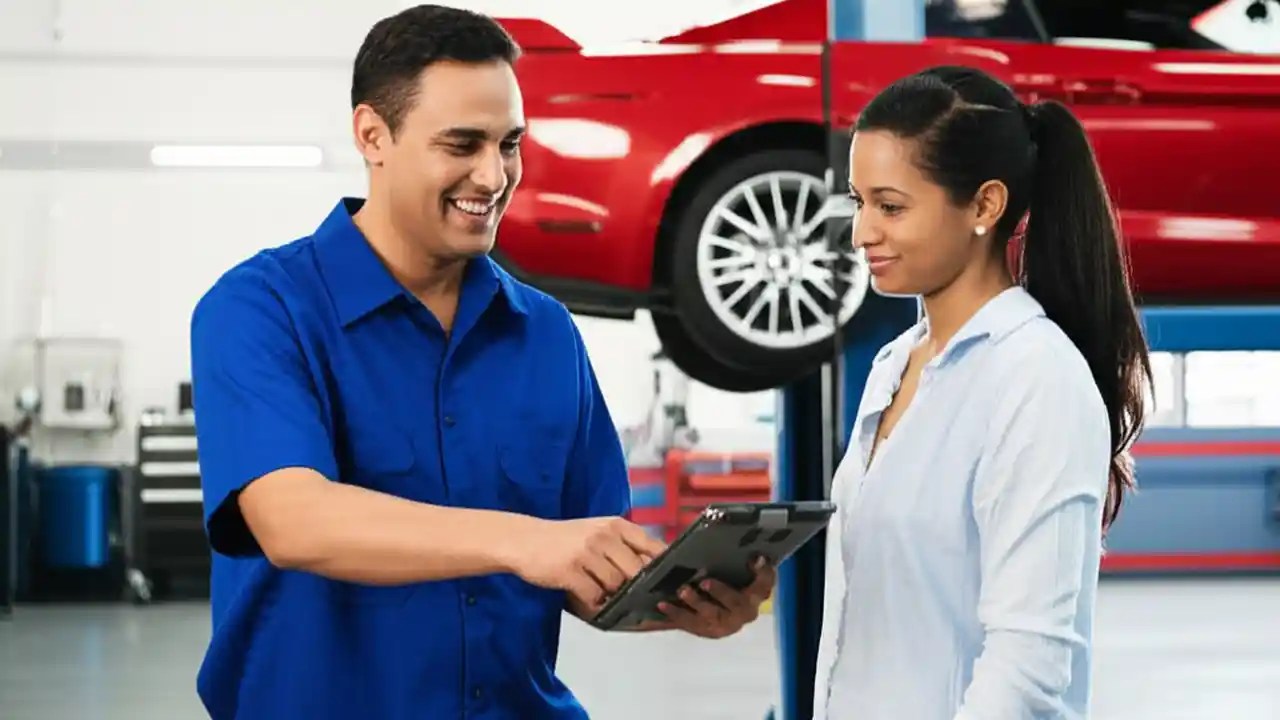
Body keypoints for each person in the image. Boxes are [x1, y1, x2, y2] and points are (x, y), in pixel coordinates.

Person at [189, 6, 774, 719]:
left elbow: (580, 576)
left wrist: (679, 600)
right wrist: (525, 542)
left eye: (509, 144)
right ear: (373, 135)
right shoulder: (260, 310)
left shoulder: (547, 334)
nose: (493, 176)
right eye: (462, 144)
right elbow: (294, 520)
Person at [812, 66, 1153, 719]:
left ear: (985, 206)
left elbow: (1028, 671)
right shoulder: (894, 365)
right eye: (859, 203)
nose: (860, 233)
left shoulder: (1035, 378)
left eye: (890, 206)